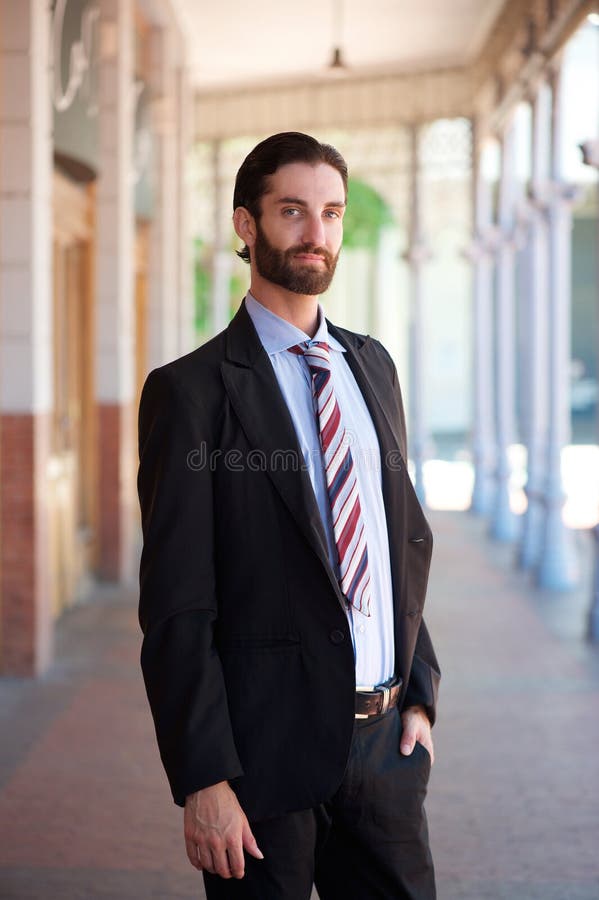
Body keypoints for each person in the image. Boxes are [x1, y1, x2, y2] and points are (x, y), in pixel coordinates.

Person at [137, 131, 440, 900]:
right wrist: (202, 775)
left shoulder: (371, 365)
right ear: (247, 225)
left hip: (383, 752)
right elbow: (177, 604)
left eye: (331, 213)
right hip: (260, 758)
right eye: (293, 211)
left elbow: (389, 534)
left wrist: (419, 694)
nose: (317, 234)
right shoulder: (193, 392)